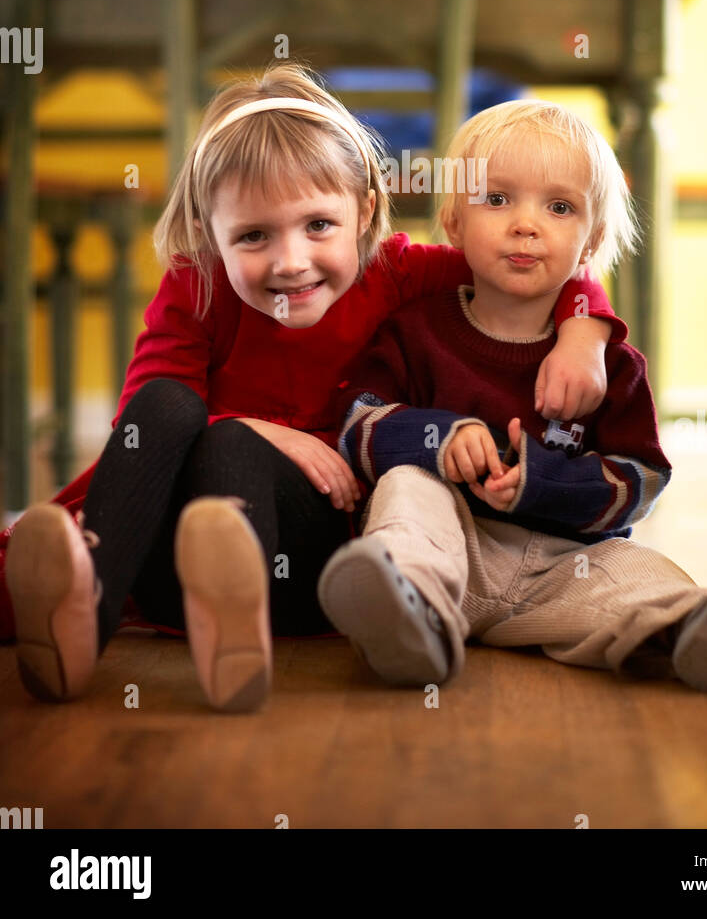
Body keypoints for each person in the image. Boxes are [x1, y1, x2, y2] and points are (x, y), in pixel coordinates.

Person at [2, 61, 625, 713]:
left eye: (317, 226)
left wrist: (585, 331)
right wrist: (250, 425)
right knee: (166, 404)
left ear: (363, 209)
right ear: (208, 236)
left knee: (232, 454)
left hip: (308, 567)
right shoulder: (198, 285)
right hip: (164, 571)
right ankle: (85, 613)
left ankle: (234, 630)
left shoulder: (395, 273)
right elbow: (142, 420)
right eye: (252, 236)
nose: (291, 261)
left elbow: (520, 265)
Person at [318, 98, 707, 692]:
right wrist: (439, 438)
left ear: (591, 241)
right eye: (496, 199)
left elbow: (641, 481)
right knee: (405, 490)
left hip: (565, 568)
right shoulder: (414, 330)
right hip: (451, 552)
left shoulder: (610, 365)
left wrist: (543, 481)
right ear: (453, 221)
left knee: (634, 573)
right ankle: (411, 620)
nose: (525, 224)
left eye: (558, 207)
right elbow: (356, 428)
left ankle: (695, 633)